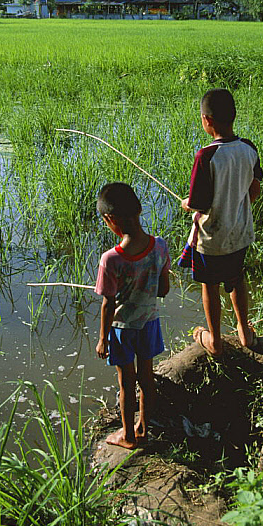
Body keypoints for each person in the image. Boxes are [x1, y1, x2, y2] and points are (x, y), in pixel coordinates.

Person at [179, 88, 263, 358]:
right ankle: (244, 332)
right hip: (240, 234)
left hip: (211, 239)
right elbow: (254, 188)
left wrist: (186, 203)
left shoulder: (206, 156)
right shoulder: (249, 148)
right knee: (237, 279)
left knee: (210, 286)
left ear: (207, 120)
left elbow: (199, 204)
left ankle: (214, 340)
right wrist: (239, 206)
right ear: (234, 116)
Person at [95, 182, 170, 450]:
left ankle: (127, 436)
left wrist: (103, 339)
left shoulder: (111, 259)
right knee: (146, 378)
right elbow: (163, 289)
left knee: (127, 383)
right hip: (150, 323)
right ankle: (143, 427)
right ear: (139, 209)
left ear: (110, 220)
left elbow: (107, 304)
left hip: (122, 329)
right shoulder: (160, 246)